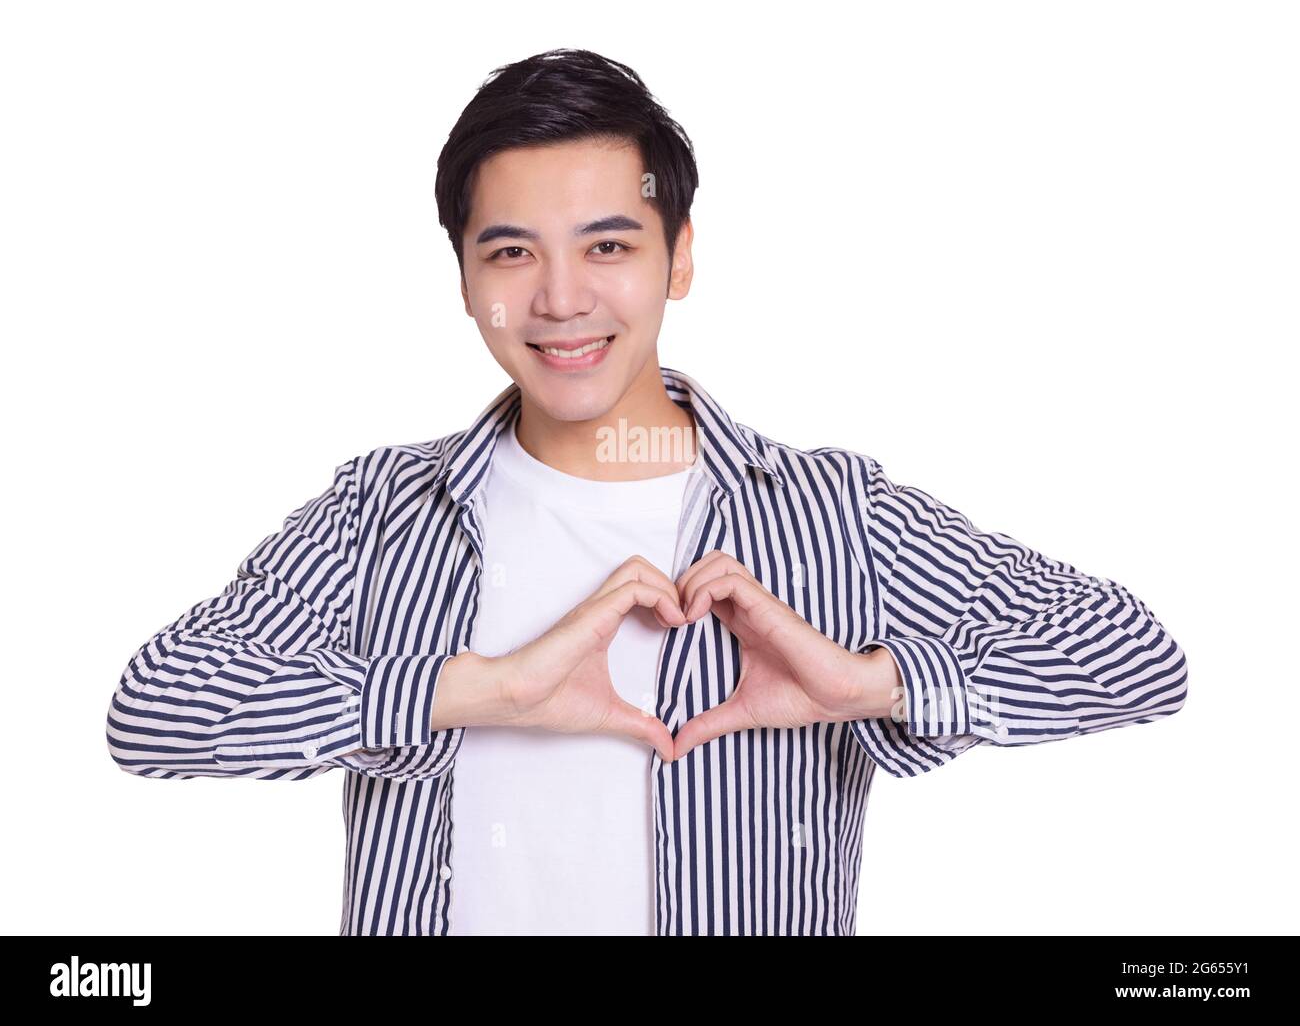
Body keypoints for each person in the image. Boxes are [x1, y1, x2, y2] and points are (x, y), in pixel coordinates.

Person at [105, 48, 1189, 936]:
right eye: (511, 252)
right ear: (465, 281)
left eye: (608, 245)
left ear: (678, 258)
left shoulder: (831, 516)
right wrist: (472, 692)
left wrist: (866, 685)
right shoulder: (378, 512)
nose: (562, 299)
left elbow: (1134, 656)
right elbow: (153, 710)